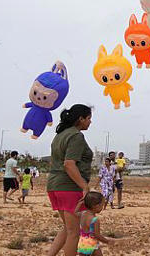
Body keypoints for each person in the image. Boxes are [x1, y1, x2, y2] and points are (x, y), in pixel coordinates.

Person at [46, 104, 94, 256]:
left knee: (68, 228)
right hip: (69, 187)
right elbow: (69, 164)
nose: (90, 122)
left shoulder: (60, 135)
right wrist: (84, 186)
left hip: (54, 185)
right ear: (81, 119)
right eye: (89, 118)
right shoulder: (76, 136)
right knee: (74, 232)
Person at [77, 191, 115, 256]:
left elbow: (75, 212)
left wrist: (79, 204)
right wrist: (107, 241)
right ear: (96, 206)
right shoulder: (95, 220)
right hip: (91, 244)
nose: (102, 207)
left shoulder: (82, 214)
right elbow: (97, 235)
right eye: (102, 205)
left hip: (82, 243)